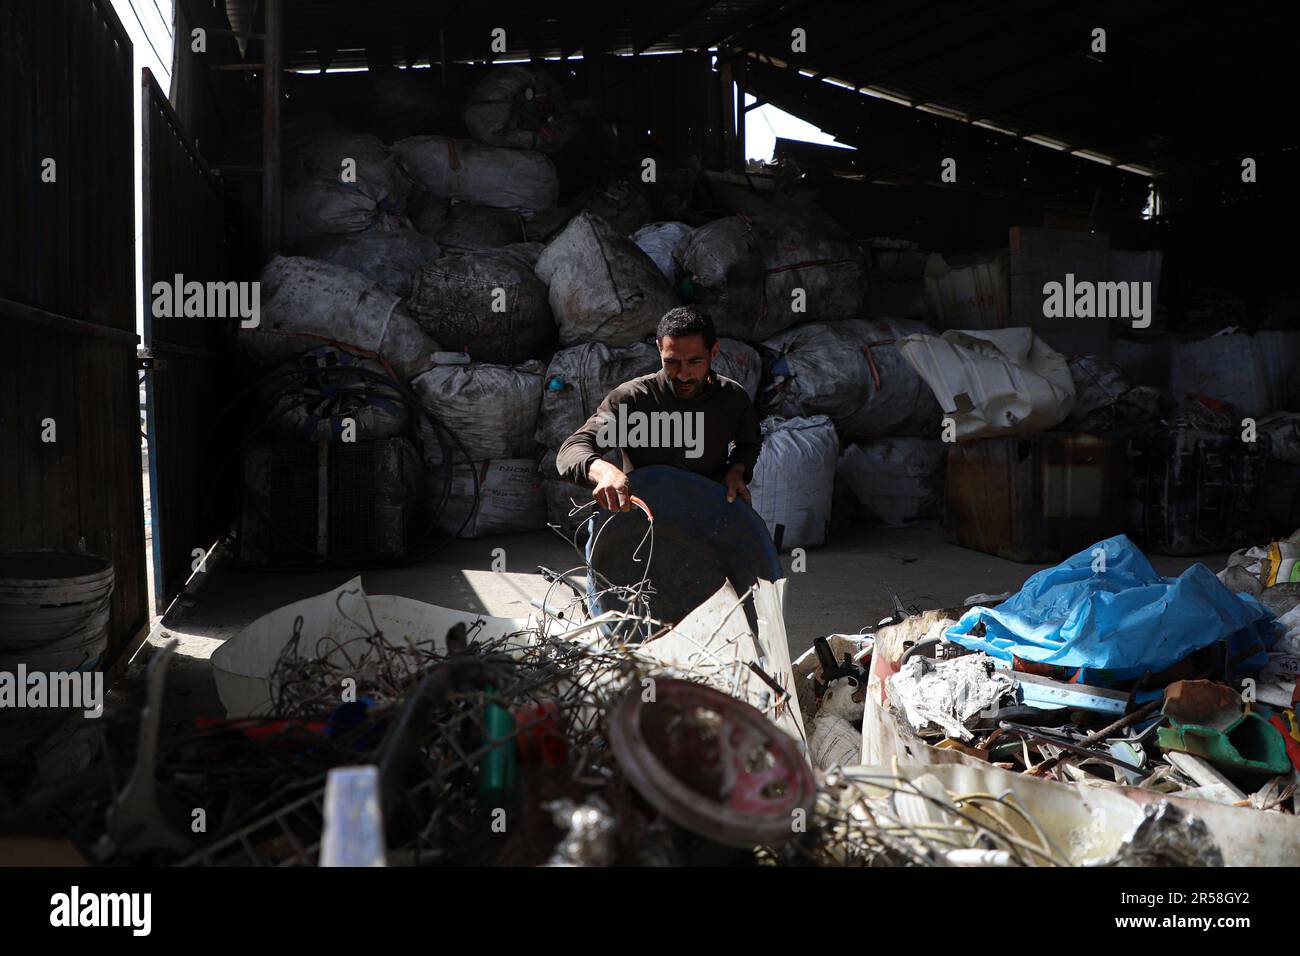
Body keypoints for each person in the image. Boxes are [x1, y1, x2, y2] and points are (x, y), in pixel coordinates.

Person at [556, 306, 763, 511]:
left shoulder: (731, 398)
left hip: (705, 514)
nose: (683, 374)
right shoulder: (634, 400)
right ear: (659, 349)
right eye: (671, 362)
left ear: (714, 352)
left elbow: (748, 443)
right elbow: (572, 449)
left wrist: (736, 471)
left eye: (695, 361)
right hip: (643, 515)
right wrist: (604, 472)